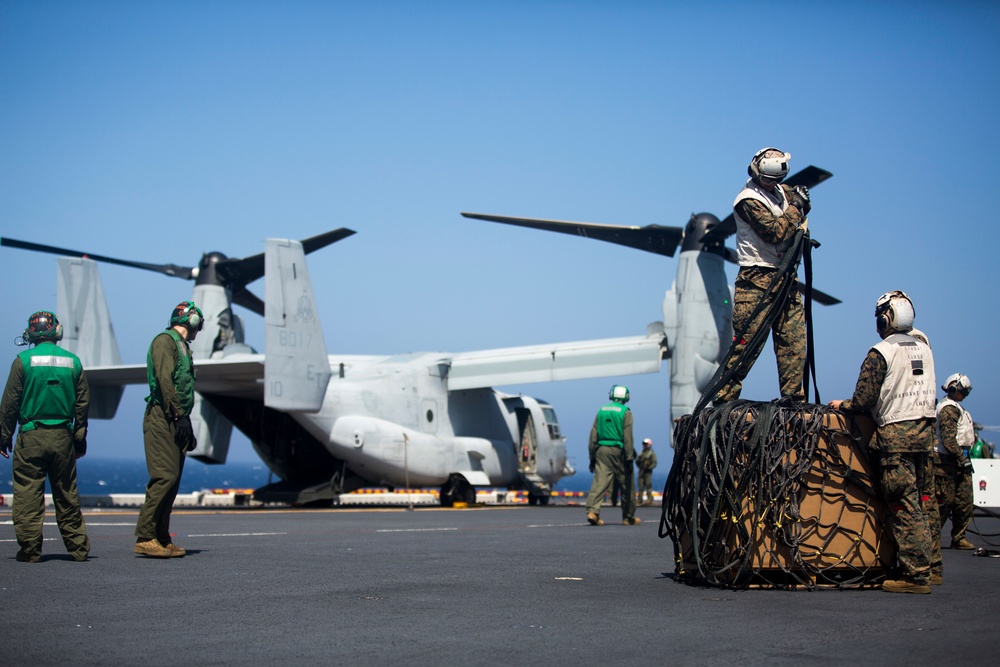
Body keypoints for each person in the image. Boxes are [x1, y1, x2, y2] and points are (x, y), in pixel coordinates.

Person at [829, 290, 937, 594]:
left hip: (896, 437)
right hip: (925, 436)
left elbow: (864, 399)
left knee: (903, 504)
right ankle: (934, 567)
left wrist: (845, 405)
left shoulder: (882, 352)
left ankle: (916, 576)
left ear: (884, 318)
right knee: (924, 501)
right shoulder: (924, 347)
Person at [714, 147, 811, 404]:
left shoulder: (781, 191)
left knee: (793, 344)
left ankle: (793, 400)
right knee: (747, 345)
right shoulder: (747, 200)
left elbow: (799, 198)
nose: (769, 184)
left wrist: (801, 201)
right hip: (755, 280)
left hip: (786, 278)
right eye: (765, 178)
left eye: (773, 180)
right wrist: (796, 208)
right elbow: (775, 232)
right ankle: (723, 399)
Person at [0, 311, 90, 562]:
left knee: (28, 495)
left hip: (31, 437)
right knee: (66, 493)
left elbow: (9, 404)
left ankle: (30, 550)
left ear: (31, 333)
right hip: (63, 437)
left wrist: (4, 435)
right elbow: (82, 405)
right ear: (56, 331)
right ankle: (79, 549)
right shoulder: (73, 362)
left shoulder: (22, 361)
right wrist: (79, 438)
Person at [134, 301, 202, 558]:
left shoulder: (183, 347)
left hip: (175, 417)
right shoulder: (165, 341)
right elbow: (165, 380)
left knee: (172, 481)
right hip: (162, 417)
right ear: (193, 321)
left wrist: (185, 421)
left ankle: (161, 537)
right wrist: (177, 415)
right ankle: (145, 536)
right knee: (164, 477)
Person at [585, 385, 639, 526]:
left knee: (600, 482)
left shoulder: (602, 410)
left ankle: (593, 511)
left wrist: (592, 457)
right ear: (626, 397)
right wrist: (629, 457)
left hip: (602, 450)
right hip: (619, 450)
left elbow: (593, 436)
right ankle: (628, 517)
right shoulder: (625, 412)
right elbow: (628, 437)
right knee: (627, 484)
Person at [934, 373, 976, 551]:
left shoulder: (957, 408)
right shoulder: (948, 409)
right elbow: (948, 439)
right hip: (947, 462)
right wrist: (961, 458)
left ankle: (959, 537)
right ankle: (931, 539)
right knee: (944, 502)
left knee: (964, 502)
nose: (964, 395)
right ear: (953, 388)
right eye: (963, 391)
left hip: (961, 460)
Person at [635, 438, 657, 505]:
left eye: (646, 444)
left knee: (648, 486)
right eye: (644, 444)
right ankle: (639, 500)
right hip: (641, 471)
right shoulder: (641, 453)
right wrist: (640, 467)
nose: (644, 446)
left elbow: (654, 463)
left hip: (648, 472)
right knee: (640, 487)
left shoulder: (651, 454)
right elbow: (637, 461)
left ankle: (649, 500)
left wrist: (649, 467)